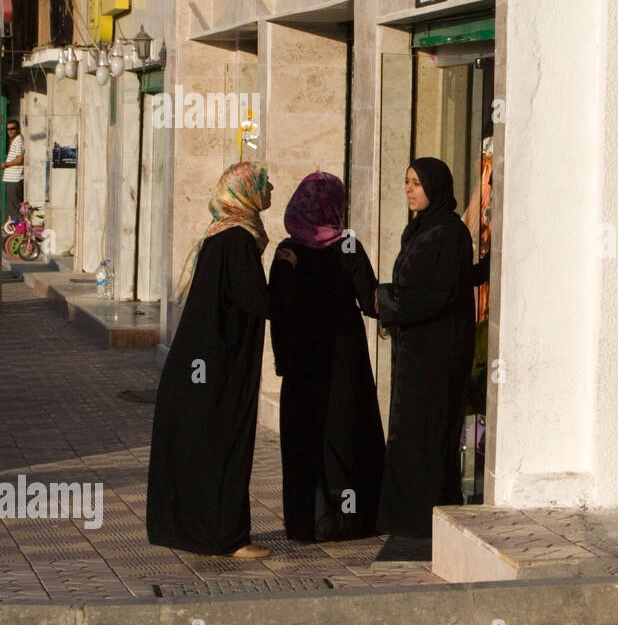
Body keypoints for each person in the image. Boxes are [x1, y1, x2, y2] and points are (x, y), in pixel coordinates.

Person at [147, 162, 274, 558]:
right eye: (263, 183)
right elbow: (257, 301)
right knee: (223, 444)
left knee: (199, 446)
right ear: (246, 192)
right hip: (219, 366)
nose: (270, 188)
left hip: (199, 362)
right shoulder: (237, 240)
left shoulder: (217, 236)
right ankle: (227, 538)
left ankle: (184, 530)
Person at [268, 172, 385, 542]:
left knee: (305, 438)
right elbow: (371, 301)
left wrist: (283, 361)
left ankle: (307, 523)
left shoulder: (288, 252)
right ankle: (350, 521)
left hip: (304, 359)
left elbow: (278, 312)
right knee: (345, 433)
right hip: (343, 360)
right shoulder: (348, 246)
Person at [376, 157, 475, 538]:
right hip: (413, 352)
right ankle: (406, 518)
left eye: (416, 183)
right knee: (408, 433)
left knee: (428, 432)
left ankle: (427, 518)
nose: (409, 190)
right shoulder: (419, 229)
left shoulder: (450, 233)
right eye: (406, 182)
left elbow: (440, 295)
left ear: (435, 186)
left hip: (437, 354)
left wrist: (385, 302)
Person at [2, 120, 24, 224]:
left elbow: (20, 159)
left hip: (14, 180)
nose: (10, 131)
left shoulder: (18, 140)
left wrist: (6, 164)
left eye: (13, 128)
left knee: (15, 208)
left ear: (18, 129)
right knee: (12, 207)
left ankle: (18, 233)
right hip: (11, 180)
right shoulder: (15, 140)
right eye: (8, 129)